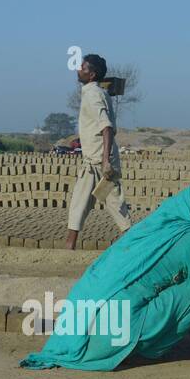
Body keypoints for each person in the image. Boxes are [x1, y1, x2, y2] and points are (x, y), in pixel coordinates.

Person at [21, 182, 190, 371]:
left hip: (74, 332)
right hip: (110, 337)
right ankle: (134, 352)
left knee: (187, 284)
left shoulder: (154, 226)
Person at [65, 53, 132, 249]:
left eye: (83, 68)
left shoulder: (93, 94)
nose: (79, 70)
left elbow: (106, 127)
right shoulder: (98, 92)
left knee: (80, 203)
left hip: (97, 161)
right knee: (115, 206)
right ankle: (133, 244)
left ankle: (69, 247)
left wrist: (104, 161)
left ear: (92, 75)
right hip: (102, 157)